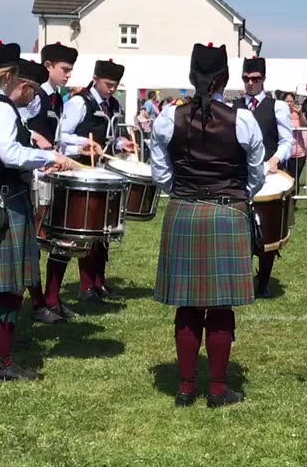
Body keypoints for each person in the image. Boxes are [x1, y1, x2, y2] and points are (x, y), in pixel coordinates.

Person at [150, 43, 265, 408]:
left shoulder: (168, 118)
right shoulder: (243, 119)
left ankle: (185, 387)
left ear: (191, 77)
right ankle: (217, 389)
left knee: (186, 304)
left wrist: (184, 192)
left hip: (183, 210)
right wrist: (233, 194)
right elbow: (256, 176)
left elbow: (160, 175)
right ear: (225, 79)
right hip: (227, 212)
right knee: (220, 306)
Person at [0, 42, 78, 382]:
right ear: (11, 77)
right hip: (3, 202)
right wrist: (50, 158)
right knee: (9, 289)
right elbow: (10, 154)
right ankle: (1, 362)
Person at [57, 59, 136, 304]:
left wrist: (122, 144)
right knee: (88, 230)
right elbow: (61, 134)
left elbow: (112, 137)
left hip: (102, 172)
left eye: (115, 85)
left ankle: (99, 282)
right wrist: (83, 144)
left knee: (104, 231)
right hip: (80, 171)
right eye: (108, 84)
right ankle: (86, 286)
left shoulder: (113, 105)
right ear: (96, 78)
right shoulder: (79, 102)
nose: (112, 89)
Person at [26, 43, 79, 324]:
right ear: (48, 67)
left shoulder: (58, 100)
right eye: (64, 69)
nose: (68, 75)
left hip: (52, 172)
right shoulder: (35, 97)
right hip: (34, 174)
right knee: (33, 240)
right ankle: (37, 304)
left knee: (63, 240)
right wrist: (35, 137)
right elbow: (21, 124)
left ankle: (52, 298)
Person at [238, 55, 294, 297]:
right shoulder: (234, 107)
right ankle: (240, 276)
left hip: (268, 173)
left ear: (263, 79)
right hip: (240, 173)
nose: (251, 83)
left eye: (255, 79)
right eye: (246, 79)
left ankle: (264, 279)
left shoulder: (277, 106)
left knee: (266, 225)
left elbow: (287, 140)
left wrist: (276, 159)